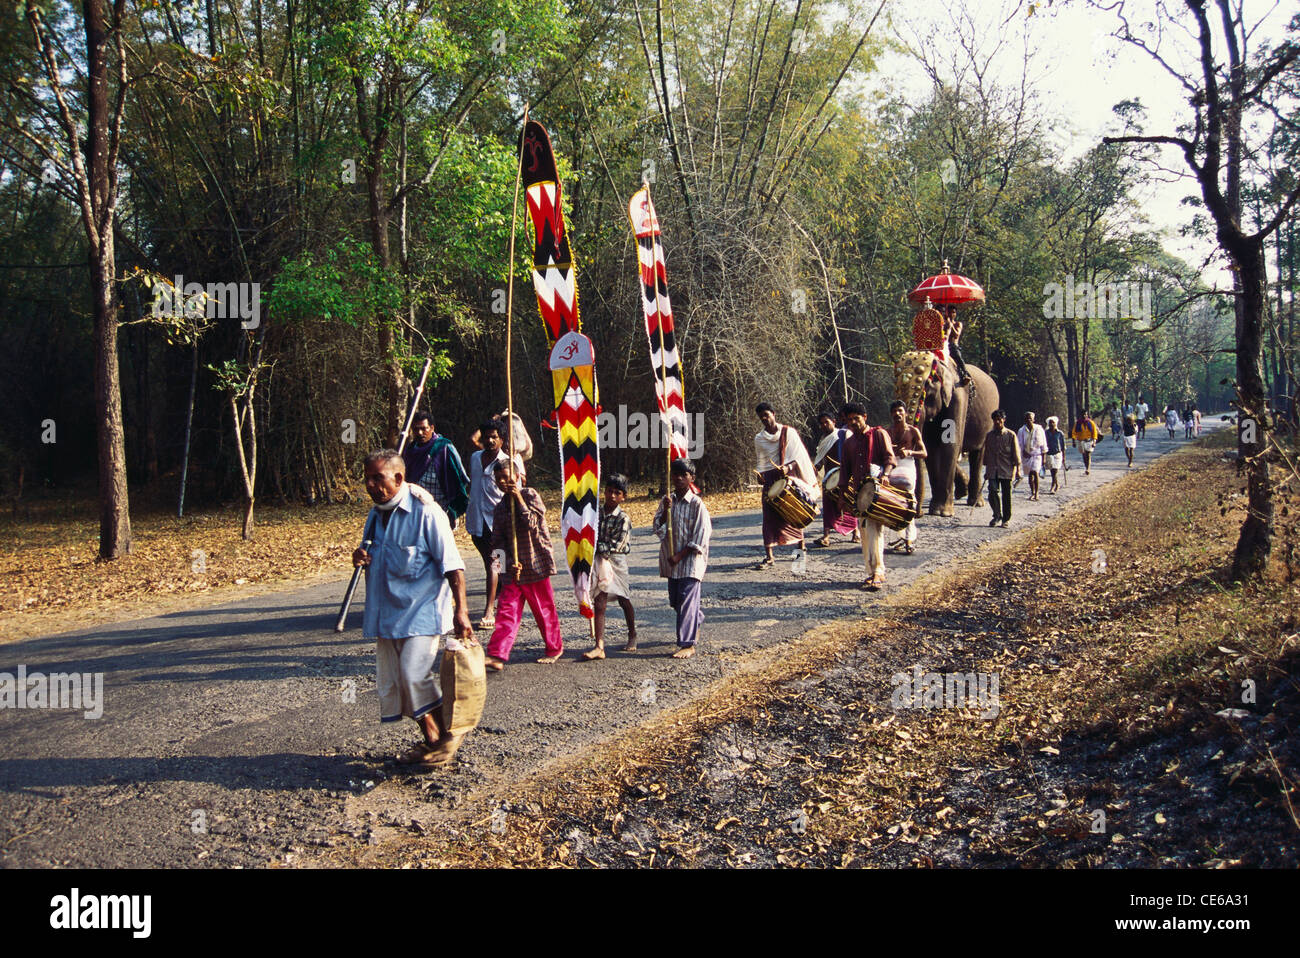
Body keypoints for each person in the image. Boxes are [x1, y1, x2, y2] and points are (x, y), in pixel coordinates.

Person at [353, 450, 474, 768]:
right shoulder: (375, 514)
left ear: (398, 478)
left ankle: (449, 734)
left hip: (423, 611)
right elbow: (369, 549)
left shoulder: (427, 513)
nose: (371, 485)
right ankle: (432, 741)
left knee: (412, 675)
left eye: (377, 478)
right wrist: (361, 555)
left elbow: (453, 566)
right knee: (397, 682)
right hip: (388, 613)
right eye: (367, 479)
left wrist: (462, 611)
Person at [485, 460, 562, 670]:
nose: (503, 482)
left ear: (518, 477)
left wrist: (517, 496)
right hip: (514, 570)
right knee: (506, 610)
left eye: (507, 477)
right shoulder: (499, 509)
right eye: (498, 479)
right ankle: (497, 654)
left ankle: (554, 648)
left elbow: (532, 524)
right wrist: (508, 565)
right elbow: (497, 545)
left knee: (543, 609)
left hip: (535, 564)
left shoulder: (530, 495)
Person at [464, 418, 525, 629]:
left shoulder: (508, 463)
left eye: (494, 437)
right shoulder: (474, 458)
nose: (490, 441)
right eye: (487, 437)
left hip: (498, 521)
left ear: (501, 440)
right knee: (490, 564)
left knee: (495, 564)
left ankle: (490, 609)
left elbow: (518, 492)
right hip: (476, 521)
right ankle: (502, 598)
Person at [653, 458, 712, 659]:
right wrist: (665, 513)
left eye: (683, 475)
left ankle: (687, 643)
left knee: (687, 598)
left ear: (691, 478)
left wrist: (680, 555)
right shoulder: (667, 501)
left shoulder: (697, 504)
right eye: (675, 474)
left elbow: (701, 535)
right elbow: (657, 527)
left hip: (690, 561)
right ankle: (696, 616)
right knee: (676, 601)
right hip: (672, 562)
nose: (678, 478)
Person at [837, 402, 897, 590]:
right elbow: (845, 472)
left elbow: (889, 458)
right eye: (849, 420)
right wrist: (842, 495)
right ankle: (871, 572)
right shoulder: (849, 443)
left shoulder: (879, 434)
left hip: (877, 490)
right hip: (859, 494)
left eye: (857, 418)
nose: (853, 422)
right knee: (863, 532)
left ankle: (879, 571)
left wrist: (886, 475)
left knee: (874, 530)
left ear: (865, 417)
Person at [753, 402, 818, 568]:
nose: (764, 419)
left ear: (773, 414)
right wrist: (760, 477)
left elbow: (798, 457)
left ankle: (800, 551)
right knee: (769, 517)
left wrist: (788, 467)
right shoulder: (759, 439)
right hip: (769, 479)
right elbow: (761, 463)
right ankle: (769, 557)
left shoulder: (789, 433)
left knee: (794, 512)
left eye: (766, 415)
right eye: (761, 417)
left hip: (788, 477)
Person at [580, 474, 637, 661]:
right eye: (610, 491)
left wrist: (600, 547)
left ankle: (632, 634)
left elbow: (620, 545)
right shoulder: (596, 513)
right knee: (599, 600)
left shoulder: (623, 518)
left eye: (617, 493)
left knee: (623, 599)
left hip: (616, 562)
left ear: (623, 497)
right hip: (597, 561)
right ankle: (599, 645)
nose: (612, 496)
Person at [403, 413, 470, 528]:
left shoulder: (444, 448)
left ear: (432, 428)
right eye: (416, 429)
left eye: (424, 429)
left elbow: (460, 478)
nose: (420, 433)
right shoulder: (410, 451)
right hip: (415, 509)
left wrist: (453, 508)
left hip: (441, 508)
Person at [886, 399, 927, 554]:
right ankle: (900, 536)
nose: (897, 414)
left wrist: (910, 452)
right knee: (892, 503)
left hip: (908, 466)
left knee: (909, 501)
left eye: (900, 411)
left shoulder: (913, 431)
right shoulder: (887, 432)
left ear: (905, 413)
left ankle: (909, 539)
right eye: (894, 411)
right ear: (891, 414)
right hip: (891, 466)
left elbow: (924, 453)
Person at [812, 411, 857, 547]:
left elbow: (852, 454)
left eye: (827, 422)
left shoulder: (844, 434)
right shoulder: (823, 440)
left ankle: (856, 533)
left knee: (849, 504)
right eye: (821, 423)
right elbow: (820, 460)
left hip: (845, 476)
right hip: (829, 479)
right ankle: (826, 537)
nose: (824, 425)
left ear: (834, 421)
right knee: (828, 506)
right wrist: (814, 470)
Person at [984, 409, 1021, 528]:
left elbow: (1016, 455)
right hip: (993, 470)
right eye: (995, 420)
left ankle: (1006, 519)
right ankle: (997, 515)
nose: (997, 422)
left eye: (999, 420)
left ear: (1004, 420)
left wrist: (1018, 471)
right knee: (992, 492)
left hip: (1007, 470)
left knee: (1006, 495)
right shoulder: (989, 436)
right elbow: (987, 454)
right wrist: (986, 471)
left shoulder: (1011, 435)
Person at [1018, 412, 1047, 501]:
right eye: (1027, 419)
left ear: (1034, 419)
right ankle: (1032, 492)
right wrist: (1021, 453)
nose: (1029, 420)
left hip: (1037, 455)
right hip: (1026, 456)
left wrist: (1044, 457)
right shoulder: (1021, 430)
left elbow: (1043, 443)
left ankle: (1037, 493)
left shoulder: (1039, 429)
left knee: (1035, 472)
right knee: (1030, 475)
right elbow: (1019, 444)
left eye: (1030, 419)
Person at [1070, 409, 1100, 475]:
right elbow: (1074, 433)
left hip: (1089, 441)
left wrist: (1094, 441)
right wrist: (1073, 441)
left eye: (1086, 414)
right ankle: (1086, 467)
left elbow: (1094, 432)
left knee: (1088, 454)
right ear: (1080, 415)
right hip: (1081, 441)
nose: (1084, 416)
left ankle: (1088, 469)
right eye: (1083, 414)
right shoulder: (1077, 423)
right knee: (1084, 455)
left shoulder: (1091, 422)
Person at [1044, 416, 1067, 493]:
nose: (1051, 424)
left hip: (1058, 454)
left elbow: (1063, 446)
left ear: (1056, 423)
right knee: (1052, 471)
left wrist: (1064, 457)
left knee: (1055, 470)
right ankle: (1057, 484)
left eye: (1053, 422)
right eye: (1050, 423)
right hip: (1049, 453)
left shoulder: (1060, 433)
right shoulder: (1045, 433)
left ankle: (1052, 487)